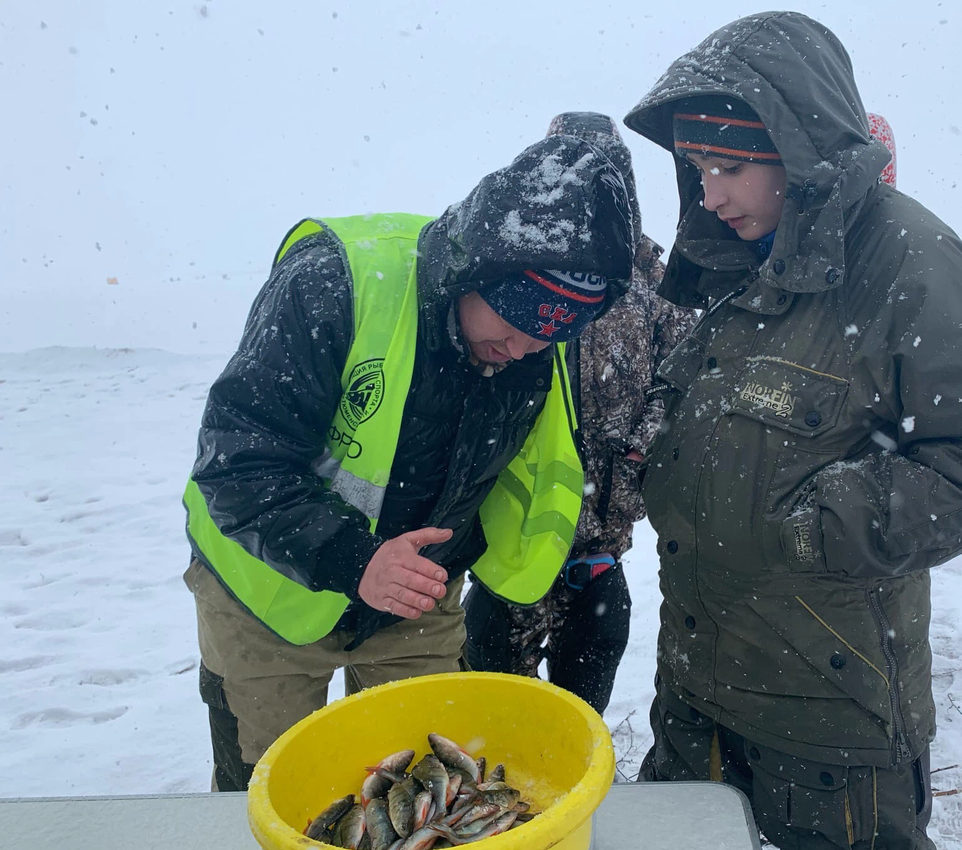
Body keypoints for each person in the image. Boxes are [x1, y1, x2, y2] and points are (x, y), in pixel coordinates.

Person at [622, 13, 962, 850]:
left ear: (800, 147)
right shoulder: (736, 262)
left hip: (829, 707)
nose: (710, 197)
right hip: (699, 684)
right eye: (698, 172)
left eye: (730, 168)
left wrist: (814, 530)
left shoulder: (912, 261)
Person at [182, 135, 634, 792]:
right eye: (519, 315)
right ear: (476, 268)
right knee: (275, 796)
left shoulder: (531, 350)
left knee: (421, 794)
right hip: (266, 592)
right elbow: (235, 463)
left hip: (415, 604)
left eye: (556, 331)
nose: (526, 344)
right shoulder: (331, 283)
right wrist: (354, 561)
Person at [463, 112, 698, 715]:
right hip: (507, 553)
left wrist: (637, 458)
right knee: (486, 722)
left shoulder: (652, 272)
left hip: (599, 553)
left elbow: (682, 379)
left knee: (576, 724)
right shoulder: (514, 265)